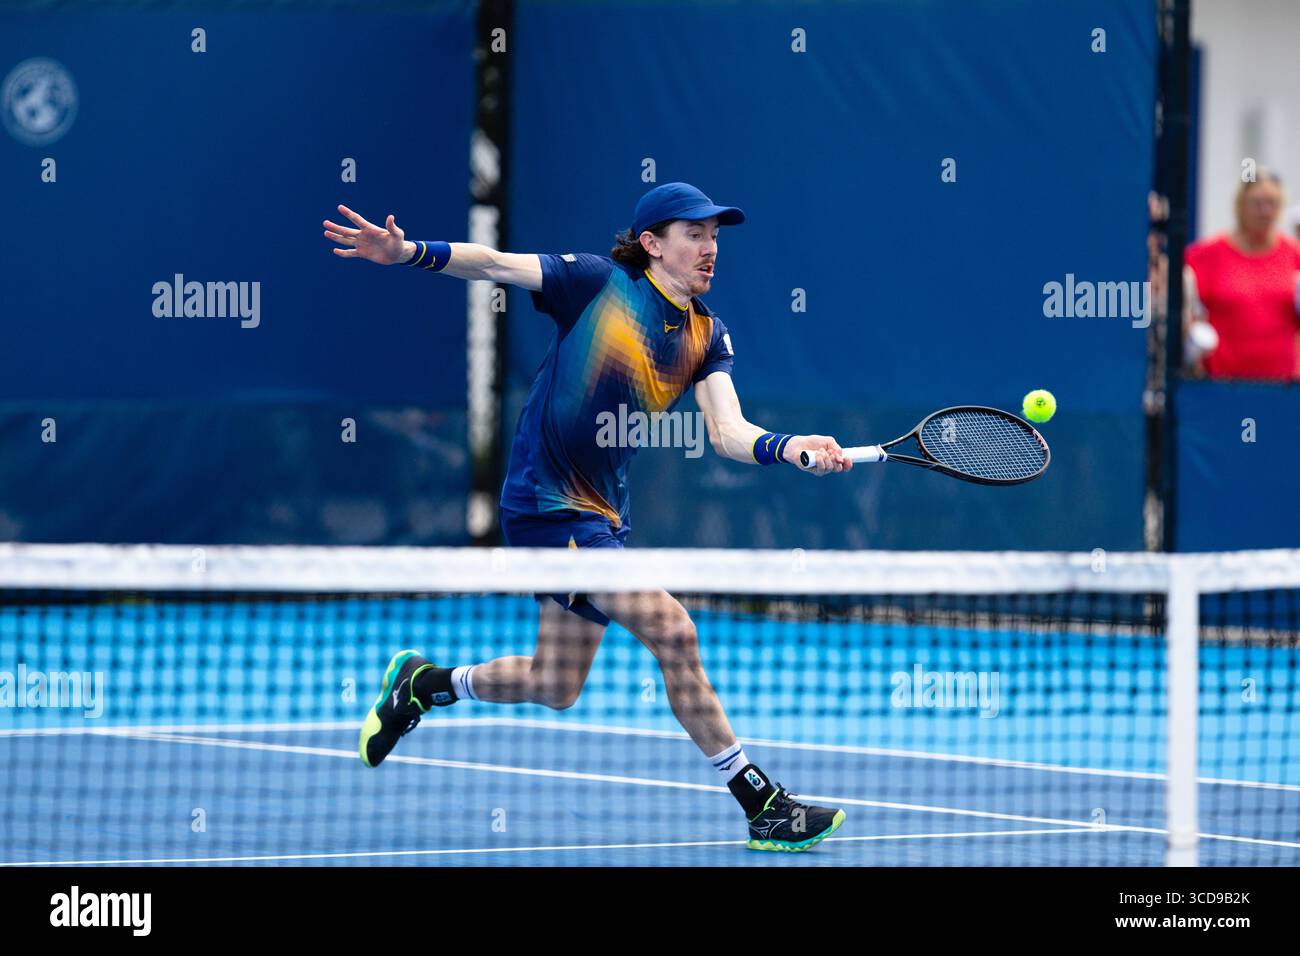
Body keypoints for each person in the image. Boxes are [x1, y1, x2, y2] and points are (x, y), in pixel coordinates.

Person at [324, 182, 852, 852]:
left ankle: (427, 683)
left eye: (715, 235)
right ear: (652, 244)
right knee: (675, 631)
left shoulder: (706, 335)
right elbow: (492, 263)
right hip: (547, 503)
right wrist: (406, 253)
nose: (709, 248)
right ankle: (761, 803)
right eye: (694, 234)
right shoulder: (598, 284)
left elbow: (729, 433)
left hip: (601, 515)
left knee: (555, 684)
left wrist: (792, 447)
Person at [1183, 171, 1300, 380]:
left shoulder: (1294, 255)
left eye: (1272, 203)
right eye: (1257, 203)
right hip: (1221, 382)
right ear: (1241, 205)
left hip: (1284, 385)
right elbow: (1181, 305)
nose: (1265, 212)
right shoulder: (1207, 254)